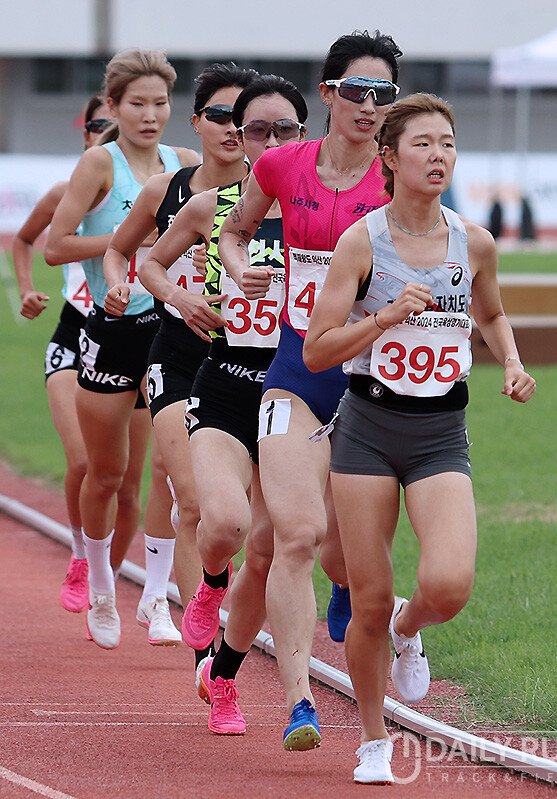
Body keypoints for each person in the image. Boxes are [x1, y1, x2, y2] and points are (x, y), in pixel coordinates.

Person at [303, 93, 536, 784]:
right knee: (366, 597)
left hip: (441, 432)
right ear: (390, 158)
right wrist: (384, 318)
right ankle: (373, 738)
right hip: (369, 429)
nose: (439, 156)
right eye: (424, 145)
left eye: (448, 144)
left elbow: (491, 312)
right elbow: (318, 350)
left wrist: (513, 360)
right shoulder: (361, 242)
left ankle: (412, 629)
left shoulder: (475, 241)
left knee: (449, 583)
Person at [218, 30, 402, 750]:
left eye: (382, 94)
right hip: (296, 371)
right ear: (326, 94)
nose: (367, 104)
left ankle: (352, 588)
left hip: (374, 381)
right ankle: (299, 700)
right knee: (294, 533)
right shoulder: (282, 163)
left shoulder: (400, 176)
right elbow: (233, 234)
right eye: (355, 90)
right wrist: (240, 267)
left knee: (344, 554)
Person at [142, 75, 308, 736]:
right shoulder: (214, 206)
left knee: (271, 554)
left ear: (303, 135)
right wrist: (183, 300)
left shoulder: (318, 211)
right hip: (226, 382)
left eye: (285, 130)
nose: (271, 141)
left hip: (294, 391)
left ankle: (226, 677)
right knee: (226, 523)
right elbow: (153, 263)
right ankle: (209, 582)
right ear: (239, 136)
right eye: (258, 130)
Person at [45, 49, 199, 650]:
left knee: (159, 471)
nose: (150, 114)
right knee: (104, 474)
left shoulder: (183, 163)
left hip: (168, 330)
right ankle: (102, 582)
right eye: (137, 104)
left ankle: (156, 598)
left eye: (161, 103)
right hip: (111, 329)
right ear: (113, 107)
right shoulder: (97, 164)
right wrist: (130, 238)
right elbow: (56, 246)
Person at [105, 62, 258, 660]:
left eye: (243, 118)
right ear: (195, 123)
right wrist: (136, 289)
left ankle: (218, 601)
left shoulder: (272, 197)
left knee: (251, 523)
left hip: (251, 359)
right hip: (177, 353)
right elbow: (124, 252)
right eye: (218, 115)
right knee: (192, 499)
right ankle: (207, 657)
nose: (231, 128)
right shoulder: (167, 191)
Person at [12, 96, 114, 613]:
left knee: (125, 477)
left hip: (129, 334)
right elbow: (25, 241)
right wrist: (27, 288)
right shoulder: (63, 193)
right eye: (98, 123)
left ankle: (113, 579)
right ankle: (79, 554)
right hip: (74, 331)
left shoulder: (150, 191)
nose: (106, 132)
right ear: (84, 134)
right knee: (82, 459)